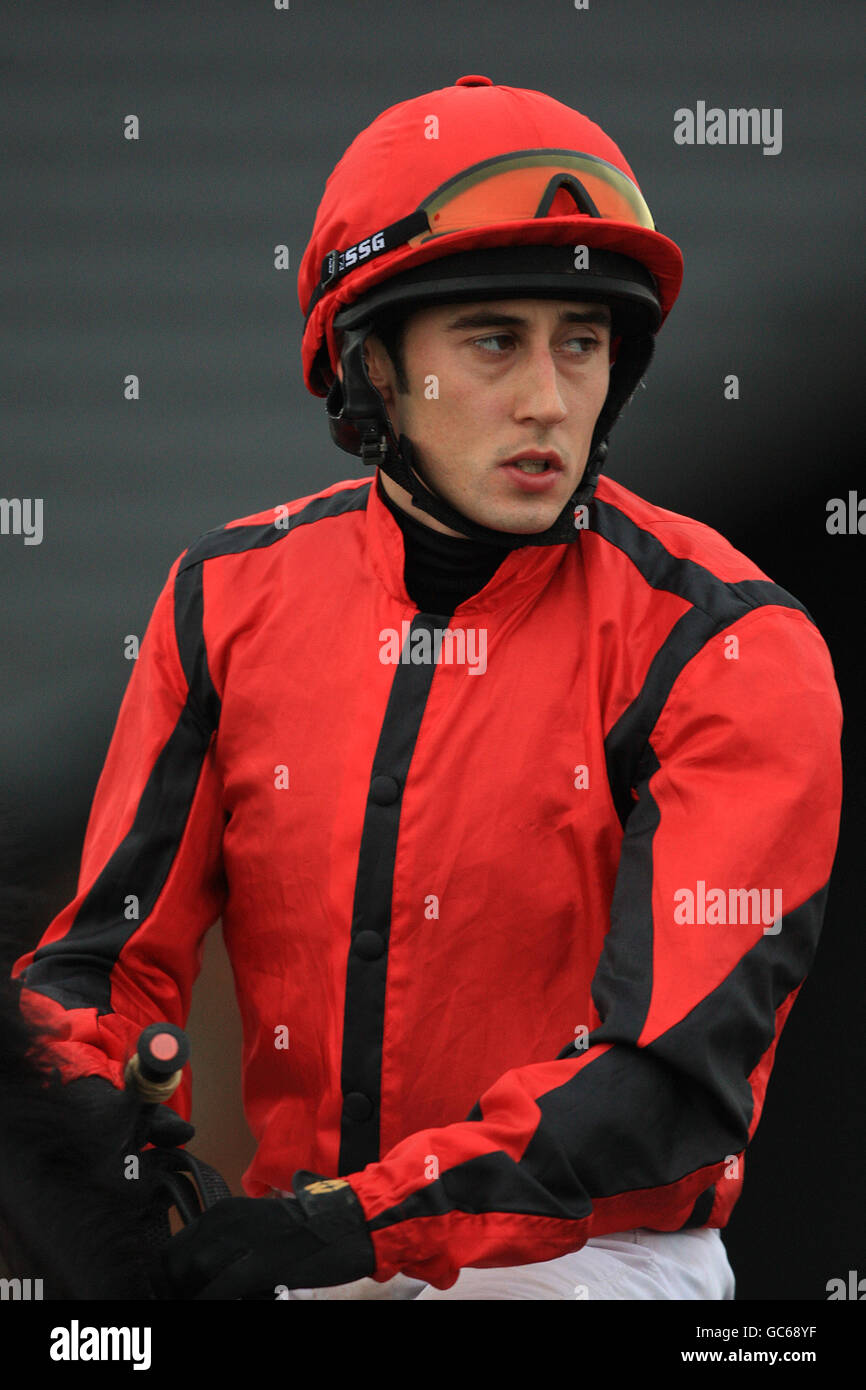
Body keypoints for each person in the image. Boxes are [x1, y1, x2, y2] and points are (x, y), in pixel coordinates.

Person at [12, 75, 842, 1301]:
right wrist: (100, 1127)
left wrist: (359, 1224)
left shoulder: (733, 642)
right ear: (371, 369)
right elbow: (96, 971)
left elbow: (669, 1080)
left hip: (590, 1262)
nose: (548, 400)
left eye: (581, 342)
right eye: (494, 340)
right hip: (292, 1245)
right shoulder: (222, 598)